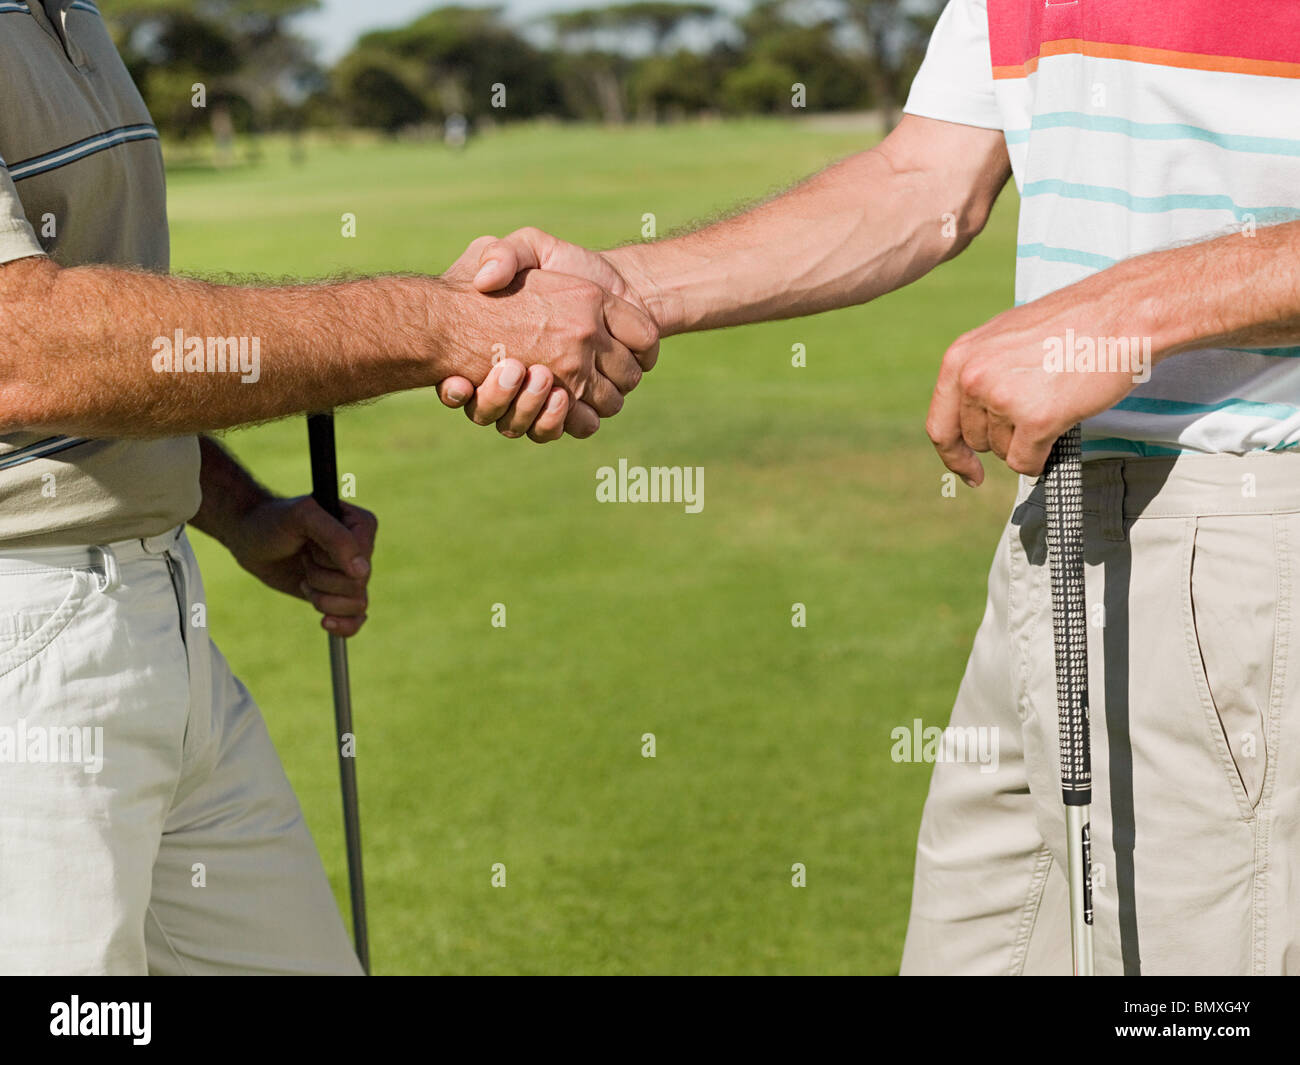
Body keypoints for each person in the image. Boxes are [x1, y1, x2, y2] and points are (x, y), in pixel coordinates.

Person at [449, 0, 1300, 974]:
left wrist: (1132, 306)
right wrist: (625, 290)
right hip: (1059, 528)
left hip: (1246, 522)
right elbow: (921, 179)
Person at [0, 0, 657, 974]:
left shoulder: (70, 15)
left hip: (159, 615)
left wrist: (235, 509)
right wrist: (439, 329)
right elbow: (26, 348)